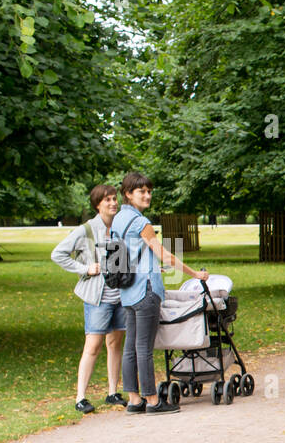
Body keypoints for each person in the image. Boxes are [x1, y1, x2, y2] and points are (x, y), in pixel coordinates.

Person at [111, 171, 208, 414]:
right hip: (145, 292)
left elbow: (127, 255)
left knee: (130, 347)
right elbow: (164, 254)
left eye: (149, 191)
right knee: (143, 347)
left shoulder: (118, 220)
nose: (147, 195)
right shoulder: (142, 223)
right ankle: (153, 401)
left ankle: (134, 400)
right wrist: (194, 274)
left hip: (127, 291)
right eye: (141, 191)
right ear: (128, 194)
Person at [51, 183, 126, 413]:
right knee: (92, 346)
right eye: (108, 200)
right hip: (98, 298)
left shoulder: (121, 226)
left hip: (120, 295)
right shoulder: (86, 230)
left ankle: (113, 392)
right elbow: (58, 254)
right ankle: (80, 397)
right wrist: (85, 268)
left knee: (115, 344)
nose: (113, 203)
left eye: (115, 198)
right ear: (97, 204)